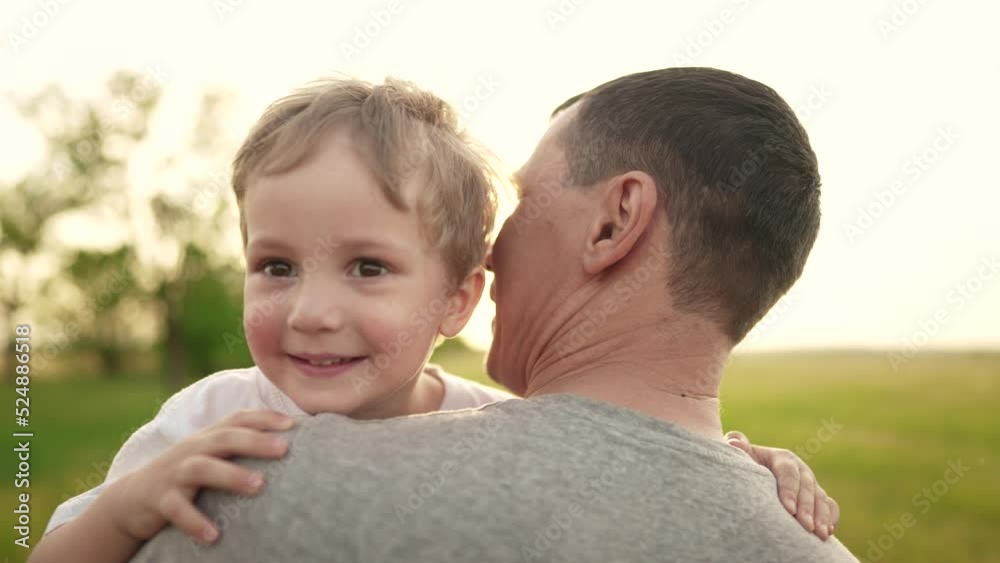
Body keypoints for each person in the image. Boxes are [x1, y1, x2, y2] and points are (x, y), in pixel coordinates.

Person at [30, 75, 833, 563]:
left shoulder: (484, 416)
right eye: (274, 266)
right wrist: (126, 505)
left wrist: (749, 459)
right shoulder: (209, 420)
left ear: (459, 296)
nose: (310, 312)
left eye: (368, 268)